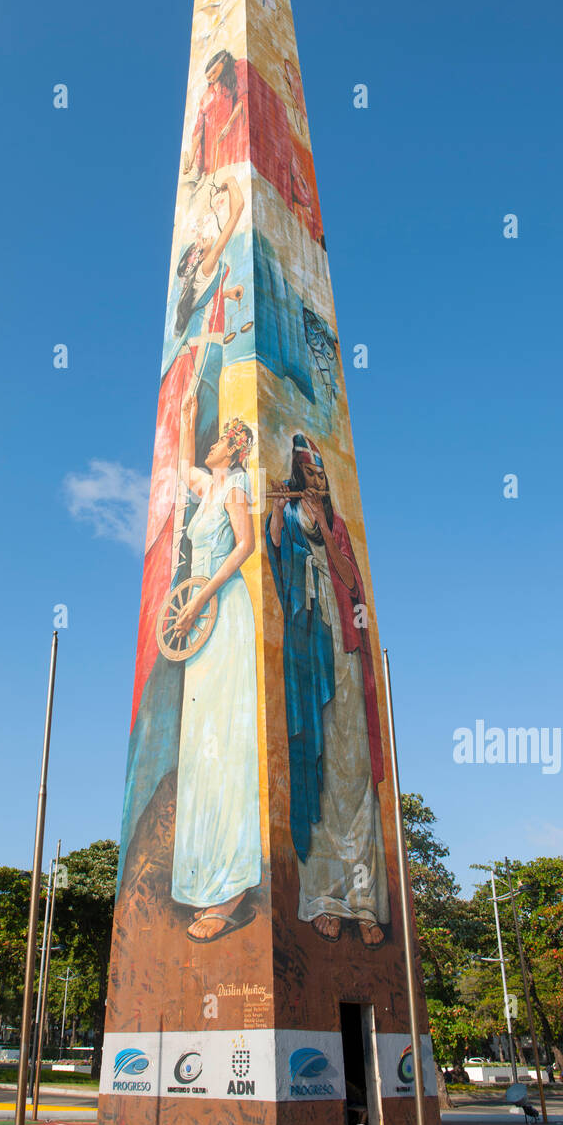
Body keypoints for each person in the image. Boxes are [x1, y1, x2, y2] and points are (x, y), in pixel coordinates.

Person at [266, 434, 389, 945]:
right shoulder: (288, 514)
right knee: (315, 768)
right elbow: (274, 552)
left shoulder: (336, 524)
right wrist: (282, 512)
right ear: (297, 474)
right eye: (307, 471)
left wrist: (324, 533)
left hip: (344, 651)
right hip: (307, 651)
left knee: (353, 773)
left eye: (320, 471)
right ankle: (322, 898)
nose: (314, 477)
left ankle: (364, 902)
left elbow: (354, 585)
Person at [169, 393, 260, 942]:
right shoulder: (206, 489)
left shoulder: (236, 487)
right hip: (197, 614)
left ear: (236, 449)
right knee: (200, 741)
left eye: (219, 437)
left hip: (221, 609)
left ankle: (233, 887)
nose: (210, 443)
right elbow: (182, 468)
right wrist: (184, 415)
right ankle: (204, 879)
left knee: (227, 738)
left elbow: (245, 546)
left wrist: (202, 600)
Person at [182, 50, 248, 180]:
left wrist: (229, 124)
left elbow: (243, 98)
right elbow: (198, 130)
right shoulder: (206, 96)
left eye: (214, 72)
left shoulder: (235, 75)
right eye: (209, 77)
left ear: (223, 64)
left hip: (231, 137)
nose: (212, 77)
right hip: (212, 145)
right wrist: (191, 159)